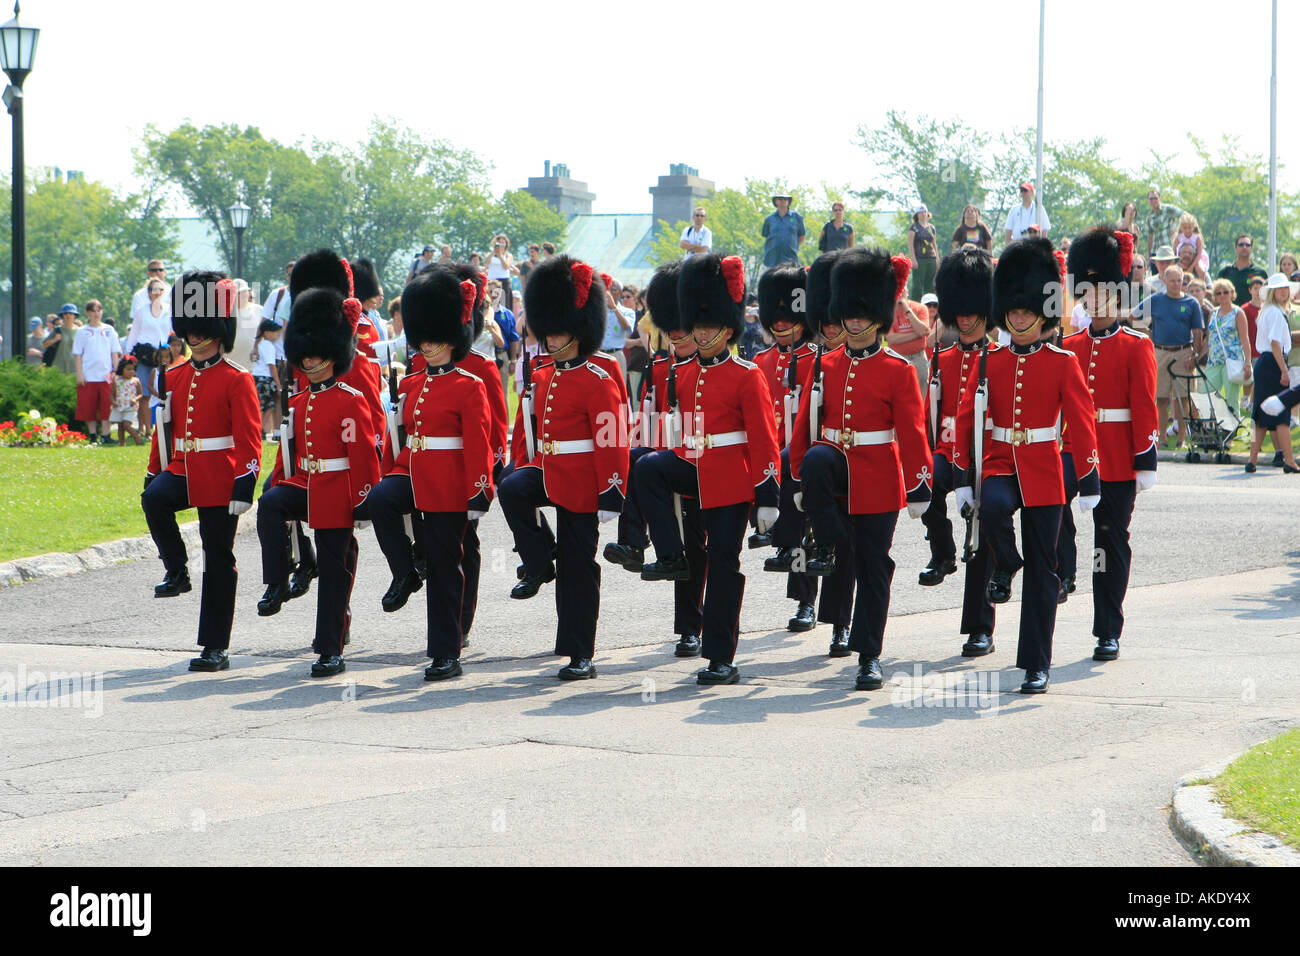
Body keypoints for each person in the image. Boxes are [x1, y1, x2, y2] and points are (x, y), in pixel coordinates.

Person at [952, 238, 1100, 695]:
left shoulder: (1062, 362)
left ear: (1042, 312)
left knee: (1045, 570)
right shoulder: (988, 359)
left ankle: (1036, 663)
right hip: (999, 462)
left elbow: (1081, 420)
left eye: (1025, 310)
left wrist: (1090, 475)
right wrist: (962, 476)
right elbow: (966, 417)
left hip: (1044, 468)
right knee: (993, 507)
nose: (1017, 317)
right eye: (1012, 311)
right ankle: (1005, 562)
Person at [788, 247, 932, 691]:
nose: (851, 322)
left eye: (859, 313)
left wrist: (920, 483)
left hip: (878, 477)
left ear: (874, 314)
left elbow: (911, 431)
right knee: (815, 459)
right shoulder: (825, 364)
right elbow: (805, 424)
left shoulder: (898, 369)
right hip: (833, 467)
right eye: (847, 313)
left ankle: (869, 655)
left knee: (873, 566)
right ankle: (829, 544)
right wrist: (797, 473)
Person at [636, 252, 780, 685]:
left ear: (727, 327)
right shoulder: (681, 372)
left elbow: (763, 438)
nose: (699, 333)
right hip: (691, 465)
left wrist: (767, 495)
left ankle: (720, 656)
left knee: (723, 564)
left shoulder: (746, 374)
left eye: (707, 325)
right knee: (647, 468)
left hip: (731, 479)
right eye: (696, 325)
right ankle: (671, 554)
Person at [498, 255, 628, 680]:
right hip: (547, 467)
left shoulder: (598, 377)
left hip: (584, 481)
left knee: (579, 567)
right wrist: (520, 462)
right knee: (514, 488)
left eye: (558, 332)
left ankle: (579, 652)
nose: (550, 340)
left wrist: (613, 489)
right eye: (547, 331)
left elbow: (611, 438)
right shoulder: (542, 373)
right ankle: (538, 560)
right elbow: (526, 425)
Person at [365, 267, 494, 681]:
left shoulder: (470, 384)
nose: (429, 345)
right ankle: (404, 572)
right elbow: (400, 436)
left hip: (449, 483)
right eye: (423, 338)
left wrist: (479, 491)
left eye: (436, 338)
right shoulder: (413, 382)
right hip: (413, 471)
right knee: (381, 500)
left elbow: (478, 443)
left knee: (444, 565)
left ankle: (446, 651)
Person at [257, 288, 382, 677]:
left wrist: (365, 500)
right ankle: (277, 580)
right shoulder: (299, 402)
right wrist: (278, 481)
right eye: (304, 354)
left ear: (331, 353)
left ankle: (330, 649)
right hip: (307, 482)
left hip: (338, 490)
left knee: (334, 571)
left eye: (315, 353)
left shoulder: (350, 398)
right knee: (272, 504)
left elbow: (362, 454)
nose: (308, 360)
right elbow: (289, 453)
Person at [141, 272, 262, 673]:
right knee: (154, 500)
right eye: (189, 329)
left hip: (221, 475)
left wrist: (245, 481)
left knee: (217, 558)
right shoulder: (174, 376)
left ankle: (215, 645)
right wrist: (154, 471)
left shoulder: (236, 378)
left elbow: (249, 437)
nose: (193, 336)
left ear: (218, 330)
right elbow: (167, 430)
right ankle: (176, 569)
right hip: (182, 466)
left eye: (201, 329)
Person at [1057, 227, 1158, 663]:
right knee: (1051, 515)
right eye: (1088, 290)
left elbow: (1144, 406)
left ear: (1115, 294)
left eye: (1102, 290)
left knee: (1107, 544)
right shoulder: (1068, 347)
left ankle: (1106, 629)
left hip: (1116, 460)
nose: (1094, 297)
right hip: (1071, 452)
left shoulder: (1136, 345)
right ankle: (1062, 572)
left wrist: (1144, 462)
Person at [601, 260, 709, 658]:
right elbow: (647, 420)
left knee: (695, 544)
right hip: (666, 458)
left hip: (700, 460)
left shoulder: (712, 368)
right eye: (672, 326)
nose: (677, 334)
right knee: (635, 457)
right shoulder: (659, 367)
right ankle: (632, 540)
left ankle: (691, 627)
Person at [920, 248, 1001, 660]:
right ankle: (941, 551)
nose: (966, 318)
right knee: (921, 480)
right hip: (948, 453)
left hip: (984, 459)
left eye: (973, 309)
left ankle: (979, 627)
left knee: (983, 529)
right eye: (960, 310)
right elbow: (930, 418)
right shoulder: (943, 358)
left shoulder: (1000, 360)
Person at [751, 264, 821, 635]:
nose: (780, 324)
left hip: (805, 456)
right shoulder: (761, 361)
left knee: (806, 533)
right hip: (770, 457)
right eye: (774, 318)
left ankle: (806, 601)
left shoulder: (818, 357)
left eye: (787, 317)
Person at [1132, 264, 1204, 449]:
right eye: (1172, 280)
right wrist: (1147, 332)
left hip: (1184, 352)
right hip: (1160, 352)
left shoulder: (1191, 303)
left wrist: (1194, 355)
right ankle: (1161, 437)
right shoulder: (1156, 300)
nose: (1176, 284)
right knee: (1161, 397)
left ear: (1183, 282)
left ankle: (1181, 437)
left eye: (1179, 280)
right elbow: (1133, 317)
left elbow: (1197, 331)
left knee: (1183, 397)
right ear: (1164, 280)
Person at [1246, 274, 1300, 473]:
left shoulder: (1266, 311)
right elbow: (1276, 343)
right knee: (1282, 413)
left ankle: (1252, 459)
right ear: (1272, 292)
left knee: (1260, 415)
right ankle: (1290, 461)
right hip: (1274, 363)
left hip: (1264, 362)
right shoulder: (1276, 313)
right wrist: (1284, 370)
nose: (1284, 292)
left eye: (1286, 288)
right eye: (1280, 289)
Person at [72, 300, 122, 445]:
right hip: (88, 375)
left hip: (106, 375)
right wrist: (79, 373)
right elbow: (78, 354)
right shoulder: (82, 332)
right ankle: (93, 435)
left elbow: (115, 352)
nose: (96, 314)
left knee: (107, 406)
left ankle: (105, 435)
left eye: (99, 310)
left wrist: (115, 371)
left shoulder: (109, 330)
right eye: (93, 311)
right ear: (87, 313)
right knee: (89, 407)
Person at [1204, 278, 1252, 413]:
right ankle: (1212, 427)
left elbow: (1245, 339)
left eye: (1225, 292)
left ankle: (1233, 429)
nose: (1222, 295)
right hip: (1213, 361)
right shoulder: (1212, 312)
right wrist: (1197, 355)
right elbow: (1209, 338)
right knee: (1206, 394)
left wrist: (1247, 363)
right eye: (1218, 293)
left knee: (1231, 398)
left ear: (1232, 293)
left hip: (1232, 361)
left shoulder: (1238, 313)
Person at [887, 296, 932, 393]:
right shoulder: (888, 310)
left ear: (907, 292)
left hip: (919, 357)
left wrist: (907, 308)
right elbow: (890, 338)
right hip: (897, 358)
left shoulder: (920, 308)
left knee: (921, 393)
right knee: (898, 392)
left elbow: (923, 330)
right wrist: (918, 333)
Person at [251, 319, 282, 441]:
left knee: (264, 406)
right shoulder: (269, 346)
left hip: (257, 376)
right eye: (275, 332)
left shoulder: (259, 345)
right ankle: (259, 429)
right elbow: (271, 366)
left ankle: (260, 429)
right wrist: (278, 384)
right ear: (266, 333)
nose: (277, 335)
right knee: (268, 406)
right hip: (265, 378)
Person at [1218, 234, 1268, 306]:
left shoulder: (1260, 272)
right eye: (1241, 245)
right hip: (1230, 314)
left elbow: (1267, 296)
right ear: (1235, 248)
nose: (1244, 247)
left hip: (1253, 314)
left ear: (1251, 248)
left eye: (1247, 245)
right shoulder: (1225, 272)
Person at [762, 192, 805, 269]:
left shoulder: (797, 217)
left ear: (789, 201)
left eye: (785, 199)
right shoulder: (769, 219)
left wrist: (793, 247)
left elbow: (801, 236)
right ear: (776, 201)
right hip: (772, 259)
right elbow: (766, 236)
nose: (783, 201)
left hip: (790, 258)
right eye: (780, 199)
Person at [906, 205, 938, 299]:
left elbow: (934, 243)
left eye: (924, 212)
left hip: (931, 258)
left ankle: (929, 306)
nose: (923, 214)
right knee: (918, 286)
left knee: (930, 285)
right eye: (920, 212)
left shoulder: (931, 228)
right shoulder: (914, 228)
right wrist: (913, 259)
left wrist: (937, 258)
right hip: (919, 258)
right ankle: (916, 305)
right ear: (917, 215)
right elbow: (911, 245)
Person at [1142, 186, 1183, 260]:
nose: (1153, 200)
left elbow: (1184, 216)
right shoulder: (1149, 217)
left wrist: (1177, 230)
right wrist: (1149, 255)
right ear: (1148, 201)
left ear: (1160, 199)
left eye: (1155, 198)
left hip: (1168, 249)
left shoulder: (1168, 209)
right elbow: (1150, 237)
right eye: (1151, 198)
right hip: (1155, 251)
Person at [110, 357, 144, 445]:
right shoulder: (117, 380)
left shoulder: (135, 381)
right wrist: (113, 401)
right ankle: (122, 443)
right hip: (119, 406)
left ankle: (138, 440)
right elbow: (112, 393)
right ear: (122, 369)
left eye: (133, 369)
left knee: (126, 424)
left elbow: (140, 394)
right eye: (128, 369)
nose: (131, 372)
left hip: (130, 407)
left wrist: (135, 399)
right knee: (120, 426)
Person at [486, 234, 519, 311]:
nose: (500, 245)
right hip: (492, 280)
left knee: (504, 303)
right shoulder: (490, 254)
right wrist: (493, 252)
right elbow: (486, 262)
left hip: (504, 281)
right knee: (491, 302)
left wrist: (500, 255)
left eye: (502, 243)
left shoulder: (508, 255)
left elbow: (506, 266)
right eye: (498, 243)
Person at [1174, 213, 1209, 280]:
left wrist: (1191, 267)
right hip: (1181, 258)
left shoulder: (1197, 237)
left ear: (1194, 227)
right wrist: (1178, 262)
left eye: (1189, 228)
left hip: (1196, 257)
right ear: (1181, 228)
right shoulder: (1179, 237)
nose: (1187, 230)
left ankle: (1202, 284)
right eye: (1185, 228)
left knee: (1200, 270)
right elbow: (1175, 252)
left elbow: (1199, 253)